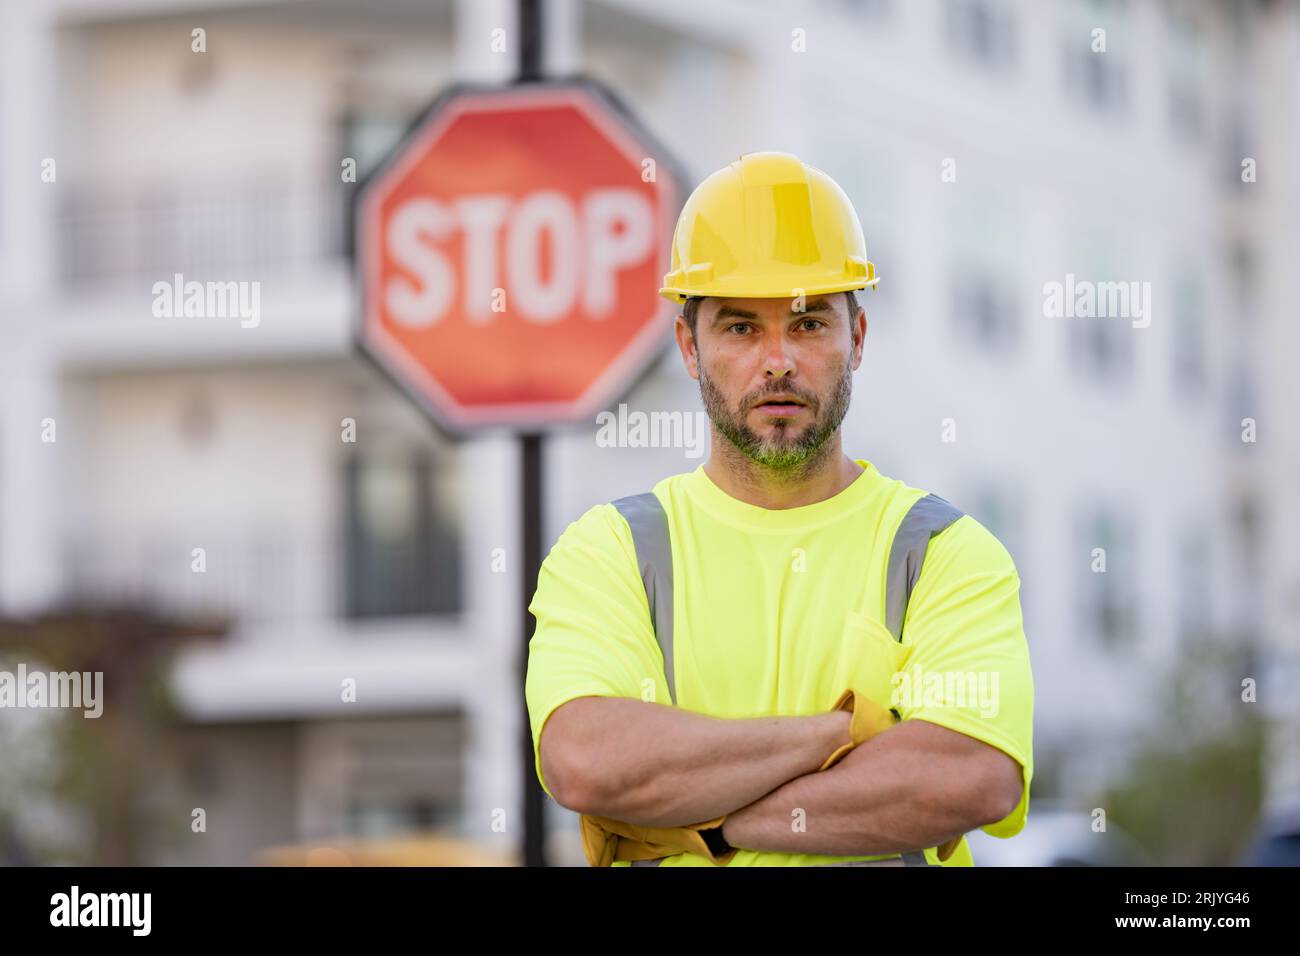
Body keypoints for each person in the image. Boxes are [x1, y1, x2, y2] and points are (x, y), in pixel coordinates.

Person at [525, 152, 1033, 866]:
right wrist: (844, 734)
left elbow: (972, 776)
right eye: (739, 328)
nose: (777, 361)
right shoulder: (611, 551)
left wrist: (709, 823)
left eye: (807, 324)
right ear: (689, 348)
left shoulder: (943, 551)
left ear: (856, 339)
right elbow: (587, 760)